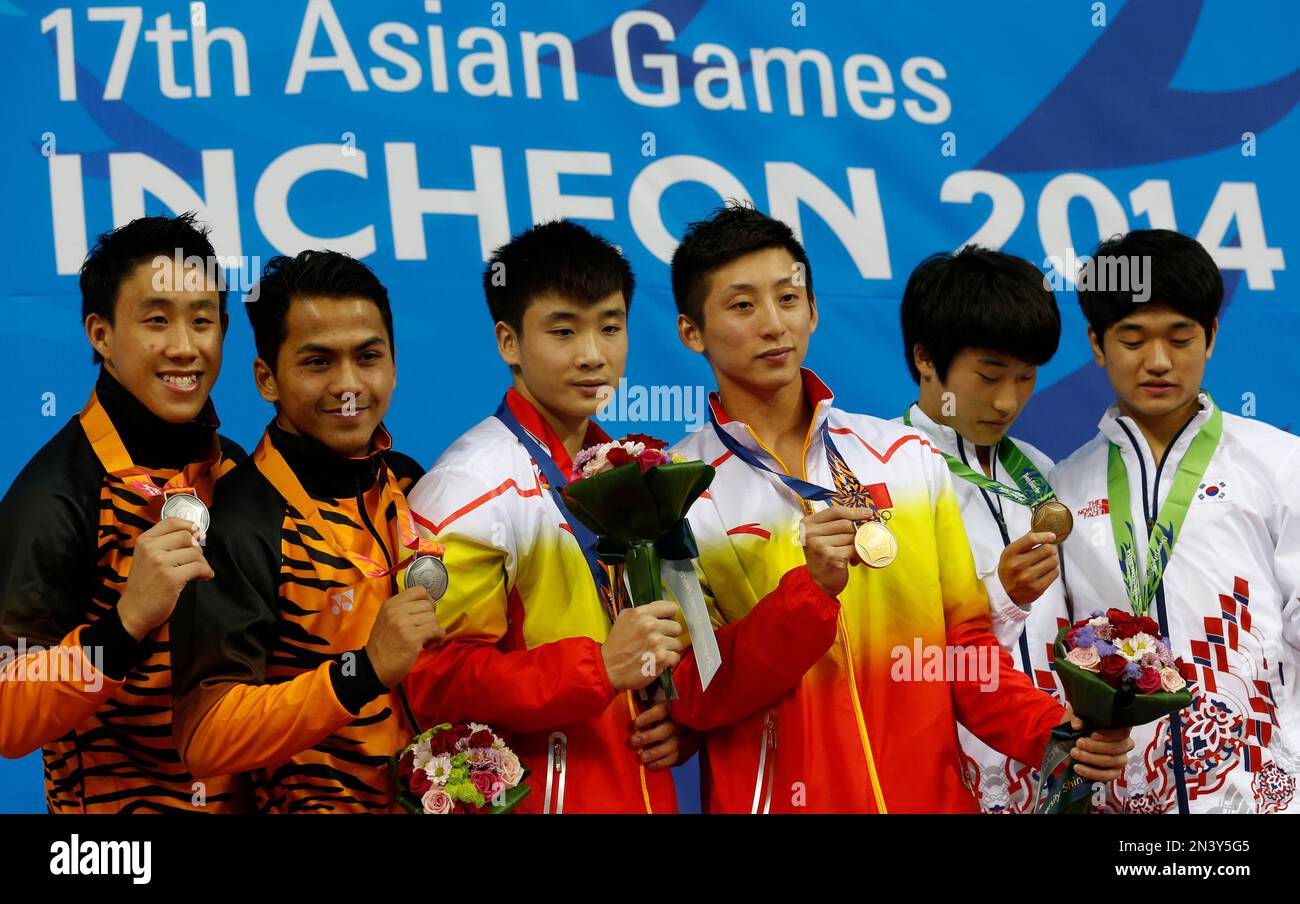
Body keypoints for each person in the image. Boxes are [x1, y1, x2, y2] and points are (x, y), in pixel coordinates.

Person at [668, 203, 1133, 813]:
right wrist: (809, 594)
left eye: (787, 298)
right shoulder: (673, 490)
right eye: (741, 305)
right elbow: (697, 691)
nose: (773, 324)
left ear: (813, 309)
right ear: (691, 331)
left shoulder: (904, 457)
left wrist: (1053, 735)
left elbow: (965, 650)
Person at [403, 221, 838, 813]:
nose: (593, 355)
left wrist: (676, 718)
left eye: (611, 327)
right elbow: (434, 681)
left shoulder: (638, 475)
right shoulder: (471, 486)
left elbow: (695, 664)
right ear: (509, 341)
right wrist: (598, 668)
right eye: (563, 331)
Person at [170, 250, 444, 813]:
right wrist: (362, 672)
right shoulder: (240, 521)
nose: (348, 385)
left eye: (367, 357)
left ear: (393, 365)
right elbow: (205, 737)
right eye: (318, 362)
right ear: (267, 378)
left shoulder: (411, 482)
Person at [0, 213, 246, 812]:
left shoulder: (239, 470)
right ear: (101, 333)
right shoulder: (56, 493)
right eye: (156, 320)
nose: (185, 346)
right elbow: (8, 718)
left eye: (203, 320)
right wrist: (124, 625)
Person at [1053, 228, 1300, 813]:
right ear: (1096, 342)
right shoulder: (1066, 487)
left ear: (1211, 336)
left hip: (1266, 793)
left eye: (1180, 337)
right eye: (1132, 339)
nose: (1158, 362)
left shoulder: (1279, 461)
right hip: (1125, 796)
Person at [897, 246, 1069, 812]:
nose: (1007, 400)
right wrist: (1002, 597)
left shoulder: (1042, 473)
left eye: (1025, 378)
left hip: (1054, 766)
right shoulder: (882, 472)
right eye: (990, 375)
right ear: (926, 358)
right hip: (940, 772)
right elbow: (900, 648)